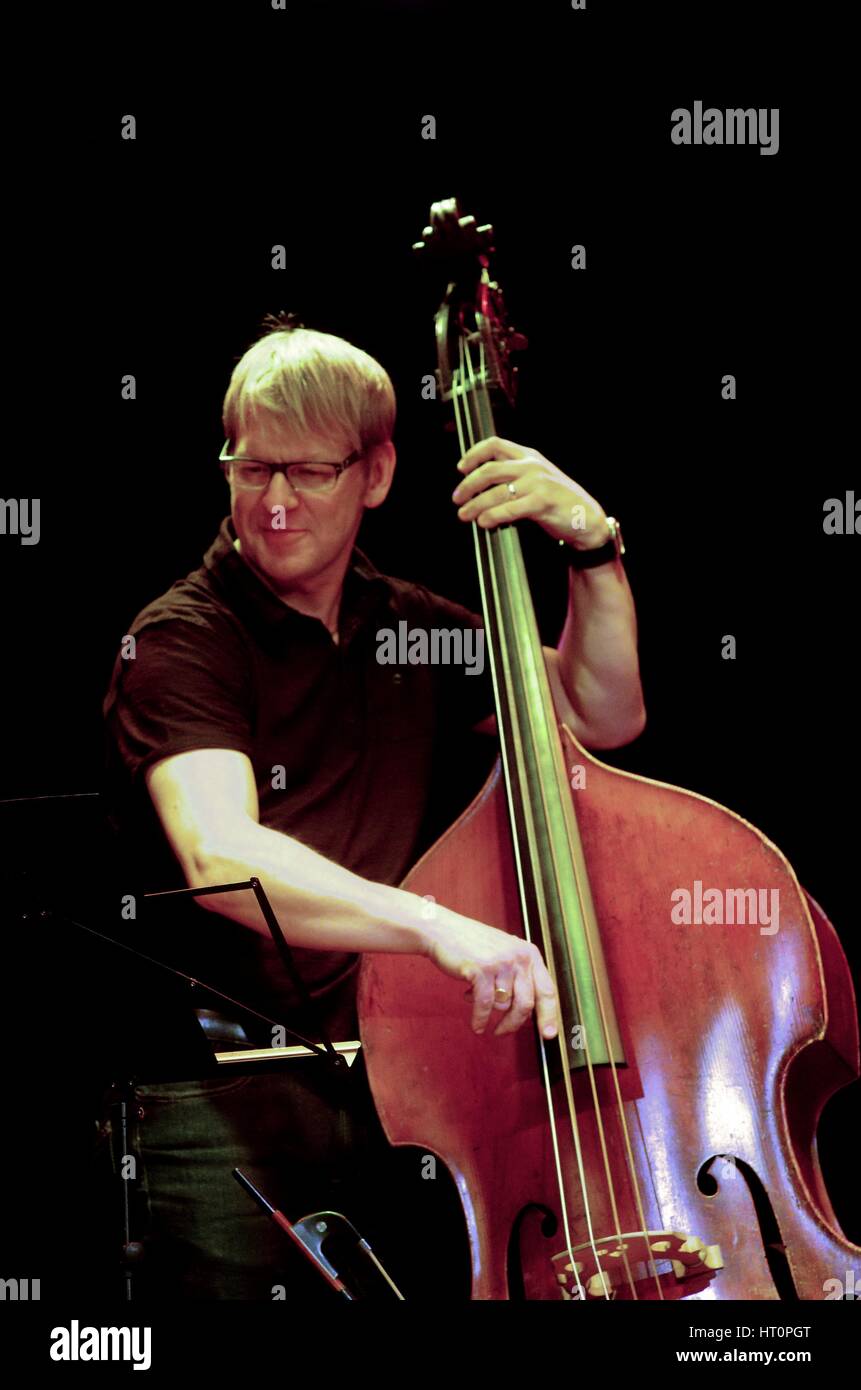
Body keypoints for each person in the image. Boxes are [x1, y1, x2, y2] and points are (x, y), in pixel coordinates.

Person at [99, 314, 646, 1300]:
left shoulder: (408, 630)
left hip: (385, 1086)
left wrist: (594, 548)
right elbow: (223, 854)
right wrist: (438, 926)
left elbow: (602, 712)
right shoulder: (181, 640)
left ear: (377, 474)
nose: (273, 503)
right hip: (218, 1096)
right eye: (251, 467)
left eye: (308, 472)